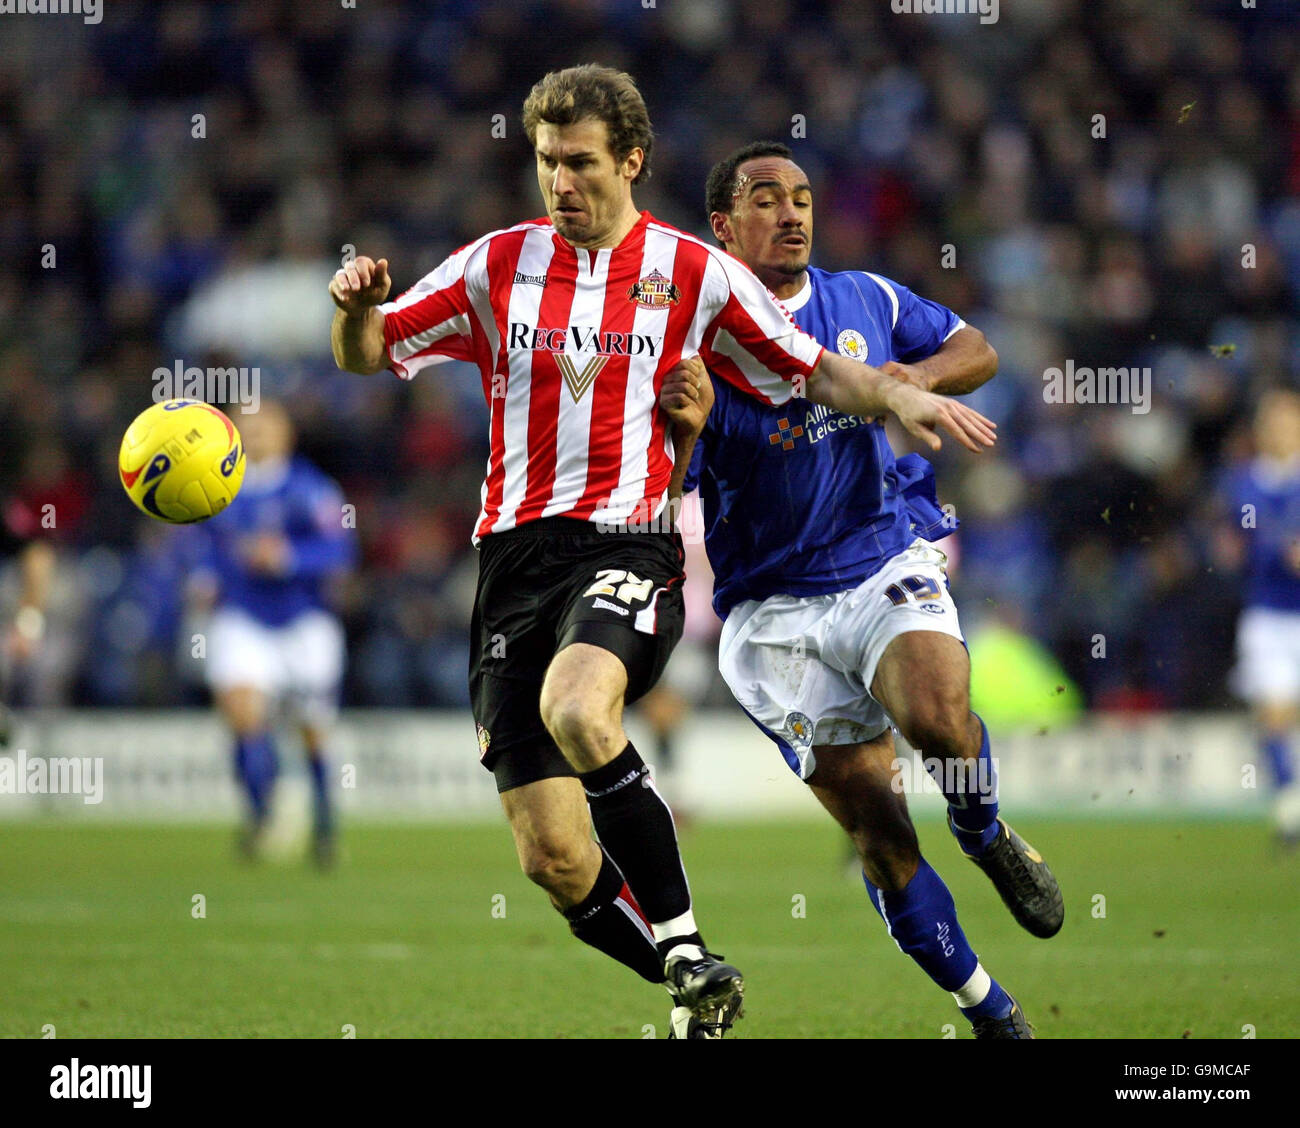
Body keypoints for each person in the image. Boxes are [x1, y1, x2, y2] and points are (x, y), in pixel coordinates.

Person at [328, 67, 996, 1037]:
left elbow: (808, 370)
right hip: (511, 562)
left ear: (630, 160)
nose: (559, 181)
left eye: (580, 162)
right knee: (552, 860)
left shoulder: (693, 272)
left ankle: (683, 944)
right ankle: (692, 979)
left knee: (575, 706)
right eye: (547, 162)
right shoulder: (494, 266)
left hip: (627, 543)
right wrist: (355, 307)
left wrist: (899, 394)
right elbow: (370, 351)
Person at [661, 141, 1062, 1039]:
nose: (793, 213)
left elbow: (978, 347)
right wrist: (684, 434)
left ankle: (986, 831)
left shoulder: (868, 301)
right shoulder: (694, 344)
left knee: (940, 720)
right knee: (879, 836)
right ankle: (990, 1012)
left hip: (881, 555)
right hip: (772, 615)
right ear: (723, 228)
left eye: (803, 196)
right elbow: (667, 487)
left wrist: (904, 384)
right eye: (767, 200)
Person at [189, 401, 356, 867]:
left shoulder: (312, 488)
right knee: (242, 715)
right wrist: (204, 577)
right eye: (247, 428)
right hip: (243, 618)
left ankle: (324, 826)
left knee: (313, 729)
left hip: (305, 621)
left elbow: (341, 550)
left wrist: (288, 558)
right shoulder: (218, 489)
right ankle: (263, 814)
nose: (256, 435)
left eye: (265, 426)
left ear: (287, 434)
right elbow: (205, 547)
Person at [1221, 388, 1300, 844]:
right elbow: (1244, 532)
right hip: (1269, 614)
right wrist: (1280, 549)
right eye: (1273, 420)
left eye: (1288, 420)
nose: (1281, 429)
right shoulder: (1246, 481)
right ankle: (1289, 807)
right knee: (1275, 710)